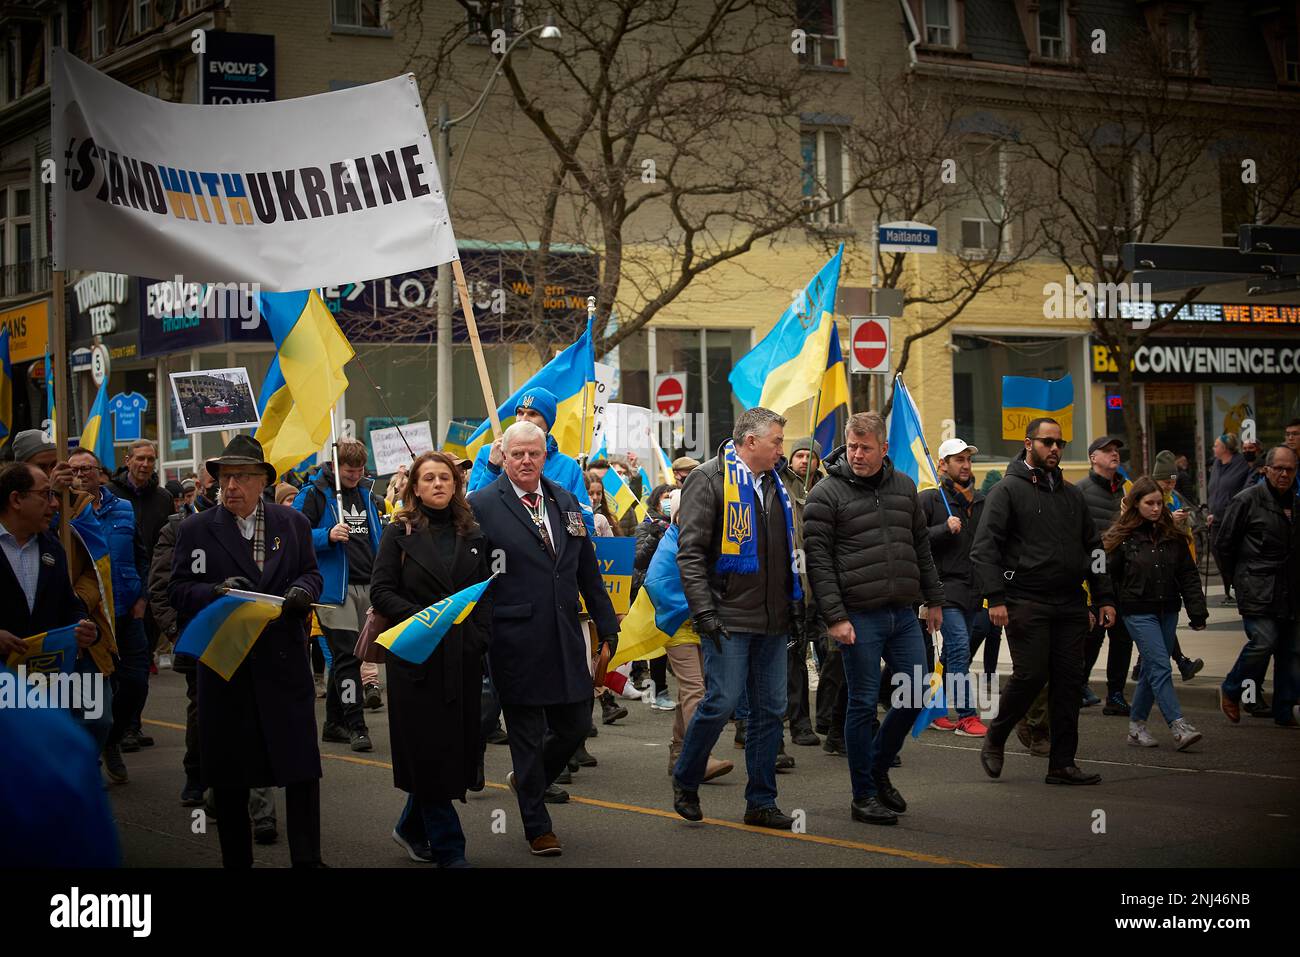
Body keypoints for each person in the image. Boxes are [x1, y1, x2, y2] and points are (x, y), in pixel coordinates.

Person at [168, 435, 325, 868]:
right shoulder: (196, 529)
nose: (230, 485)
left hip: (284, 663)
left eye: (241, 476)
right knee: (231, 774)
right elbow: (177, 588)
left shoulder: (290, 524)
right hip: (226, 666)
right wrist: (215, 591)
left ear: (263, 482)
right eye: (224, 476)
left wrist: (301, 590)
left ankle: (308, 860)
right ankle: (237, 861)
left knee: (300, 769)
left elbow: (312, 574)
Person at [468, 421, 619, 857]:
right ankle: (538, 826)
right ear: (504, 455)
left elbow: (586, 567)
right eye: (518, 454)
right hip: (513, 639)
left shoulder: (565, 500)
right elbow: (473, 579)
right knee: (526, 735)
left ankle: (528, 780)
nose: (527, 461)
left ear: (544, 456)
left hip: (565, 634)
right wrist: (479, 632)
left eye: (534, 453)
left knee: (574, 724)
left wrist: (607, 626)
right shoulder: (482, 505)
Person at [803, 412, 945, 825]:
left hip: (902, 613)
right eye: (852, 446)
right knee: (863, 704)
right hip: (856, 617)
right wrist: (834, 616)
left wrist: (933, 599)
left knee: (916, 692)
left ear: (884, 448)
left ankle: (878, 769)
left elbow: (921, 547)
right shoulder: (825, 494)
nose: (858, 454)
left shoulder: (904, 487)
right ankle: (863, 795)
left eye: (866, 447)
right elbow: (818, 563)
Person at [670, 407, 804, 830]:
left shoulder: (779, 484)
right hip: (726, 616)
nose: (782, 449)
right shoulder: (708, 479)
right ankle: (687, 778)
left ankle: (761, 801)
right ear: (751, 443)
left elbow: (791, 551)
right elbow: (689, 553)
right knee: (722, 702)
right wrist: (704, 611)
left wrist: (801, 605)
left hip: (774, 617)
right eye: (777, 442)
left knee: (771, 710)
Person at [971, 418, 1116, 786]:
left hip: (1069, 603)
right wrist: (995, 598)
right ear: (1028, 443)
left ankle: (1062, 764)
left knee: (1069, 683)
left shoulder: (1072, 496)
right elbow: (985, 548)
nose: (1054, 448)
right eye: (1047, 442)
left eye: (1059, 443)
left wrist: (1103, 597)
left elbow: (1093, 547)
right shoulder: (1007, 490)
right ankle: (997, 735)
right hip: (1025, 600)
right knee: (1032, 675)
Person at [371, 451, 491, 867]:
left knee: (449, 750)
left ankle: (409, 826)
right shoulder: (397, 532)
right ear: (415, 487)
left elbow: (486, 594)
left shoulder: (473, 532)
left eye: (445, 477)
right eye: (429, 478)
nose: (438, 484)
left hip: (461, 659)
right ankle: (450, 848)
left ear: (456, 485)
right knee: (426, 749)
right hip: (416, 657)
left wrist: (478, 636)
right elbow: (380, 591)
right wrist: (425, 618)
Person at [1103, 477, 1208, 750]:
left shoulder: (1172, 535)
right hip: (1136, 611)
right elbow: (1104, 575)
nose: (1156, 508)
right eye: (1149, 503)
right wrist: (1105, 605)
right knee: (1161, 664)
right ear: (1136, 504)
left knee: (1152, 667)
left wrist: (1197, 611)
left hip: (1168, 609)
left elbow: (1188, 574)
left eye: (1159, 503)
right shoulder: (1122, 537)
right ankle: (1178, 725)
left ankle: (1136, 727)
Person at [293, 440, 385, 750]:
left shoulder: (366, 492)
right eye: (349, 470)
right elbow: (293, 532)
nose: (355, 475)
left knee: (352, 656)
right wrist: (326, 536)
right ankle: (356, 724)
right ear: (335, 465)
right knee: (347, 656)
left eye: (360, 470)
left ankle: (334, 724)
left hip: (368, 584)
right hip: (334, 588)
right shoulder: (315, 494)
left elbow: (377, 536)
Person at [0, 462, 100, 738]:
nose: (55, 504)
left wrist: (83, 625)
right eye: (46, 495)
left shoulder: (52, 546)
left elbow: (67, 602)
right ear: (16, 499)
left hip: (43, 683)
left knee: (96, 718)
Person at [68, 447, 149, 782]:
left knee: (135, 683)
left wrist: (141, 596)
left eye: (89, 468)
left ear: (100, 473)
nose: (83, 475)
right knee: (97, 693)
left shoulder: (123, 508)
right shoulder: (64, 512)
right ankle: (96, 753)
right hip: (92, 615)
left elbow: (140, 554)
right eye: (75, 470)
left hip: (127, 611)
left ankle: (111, 740)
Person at [1214, 445, 1300, 728]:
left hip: (1290, 588)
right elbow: (1223, 545)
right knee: (1264, 641)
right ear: (1266, 469)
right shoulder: (1247, 500)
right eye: (1279, 468)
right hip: (1256, 585)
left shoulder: (1296, 503)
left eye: (1290, 469)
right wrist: (1237, 581)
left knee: (1291, 650)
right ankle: (1231, 688)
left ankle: (1285, 710)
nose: (1284, 474)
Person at [107, 439, 175, 748]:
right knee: (114, 666)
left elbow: (168, 543)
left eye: (151, 459)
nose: (146, 464)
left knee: (140, 664)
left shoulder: (162, 498)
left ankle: (131, 725)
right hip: (119, 592)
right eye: (140, 459)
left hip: (152, 588)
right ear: (128, 459)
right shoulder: (111, 495)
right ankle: (112, 725)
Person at [918, 437, 987, 736]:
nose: (966, 465)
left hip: (974, 588)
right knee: (958, 647)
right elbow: (915, 540)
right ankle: (966, 715)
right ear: (942, 465)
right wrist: (943, 529)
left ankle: (932, 708)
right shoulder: (931, 500)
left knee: (951, 656)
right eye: (958, 460)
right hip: (943, 587)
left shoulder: (980, 501)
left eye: (968, 459)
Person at [1078, 436, 1133, 715]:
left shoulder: (1127, 490)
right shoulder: (1080, 492)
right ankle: (1077, 685)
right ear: (1093, 458)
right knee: (1093, 636)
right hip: (1093, 578)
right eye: (1108, 451)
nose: (1115, 454)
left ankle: (1116, 694)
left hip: (1125, 576)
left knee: (1123, 638)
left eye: (1117, 450)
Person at [1148, 450, 1206, 682]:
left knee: (1163, 618)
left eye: (1173, 480)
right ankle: (1180, 662)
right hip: (1156, 567)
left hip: (1176, 562)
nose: (1170, 484)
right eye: (1166, 480)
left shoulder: (1174, 497)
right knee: (1160, 619)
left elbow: (1191, 521)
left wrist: (1186, 518)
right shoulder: (1150, 497)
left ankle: (1149, 663)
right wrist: (1170, 520)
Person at [782, 437, 823, 747]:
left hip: (826, 586)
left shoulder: (830, 488)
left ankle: (828, 717)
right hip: (795, 588)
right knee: (795, 658)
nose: (805, 461)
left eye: (811, 455)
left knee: (834, 655)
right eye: (799, 455)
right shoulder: (780, 486)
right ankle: (800, 723)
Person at [633, 483, 676, 711]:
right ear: (656, 500)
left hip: (678, 592)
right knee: (658, 645)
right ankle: (659, 691)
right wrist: (654, 536)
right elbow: (639, 561)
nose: (669, 501)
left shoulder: (682, 525)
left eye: (673, 497)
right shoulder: (646, 527)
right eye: (665, 497)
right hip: (653, 592)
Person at [1207, 432, 1251, 605]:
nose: (1213, 448)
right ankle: (1228, 589)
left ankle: (1237, 588)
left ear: (1225, 448)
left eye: (1216, 445)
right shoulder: (1217, 464)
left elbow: (1239, 491)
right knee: (1217, 552)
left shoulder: (1240, 464)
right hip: (1215, 518)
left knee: (1231, 553)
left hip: (1232, 519)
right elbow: (1215, 490)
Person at [587, 469, 619, 537]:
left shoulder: (603, 518)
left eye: (598, 493)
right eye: (590, 493)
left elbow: (611, 545)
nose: (595, 497)